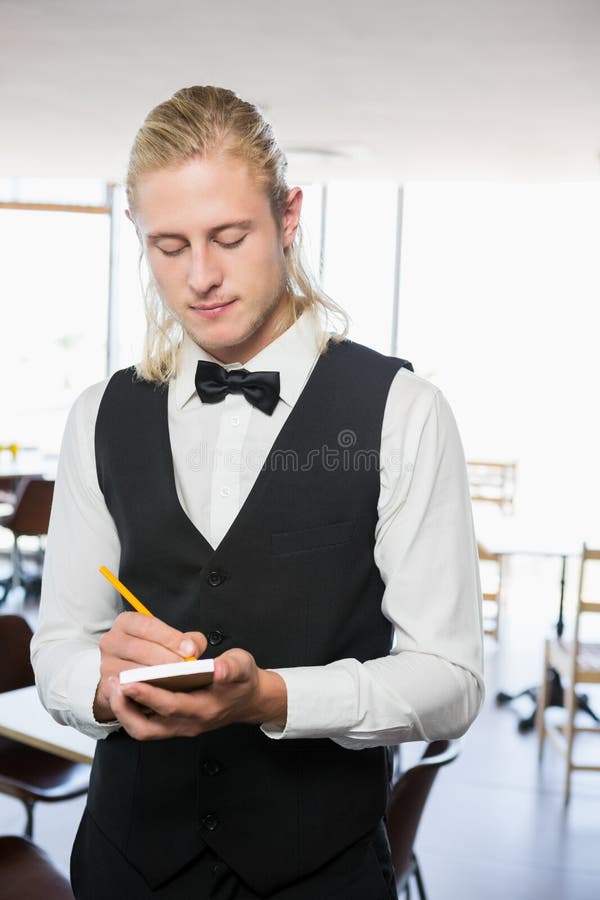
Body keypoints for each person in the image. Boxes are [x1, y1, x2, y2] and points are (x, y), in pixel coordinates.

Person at [31, 85, 484, 900]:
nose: (200, 277)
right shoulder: (98, 414)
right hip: (124, 864)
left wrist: (272, 697)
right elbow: (59, 642)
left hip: (321, 875)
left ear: (288, 216)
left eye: (229, 237)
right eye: (169, 246)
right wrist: (99, 686)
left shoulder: (404, 411)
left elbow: (450, 680)